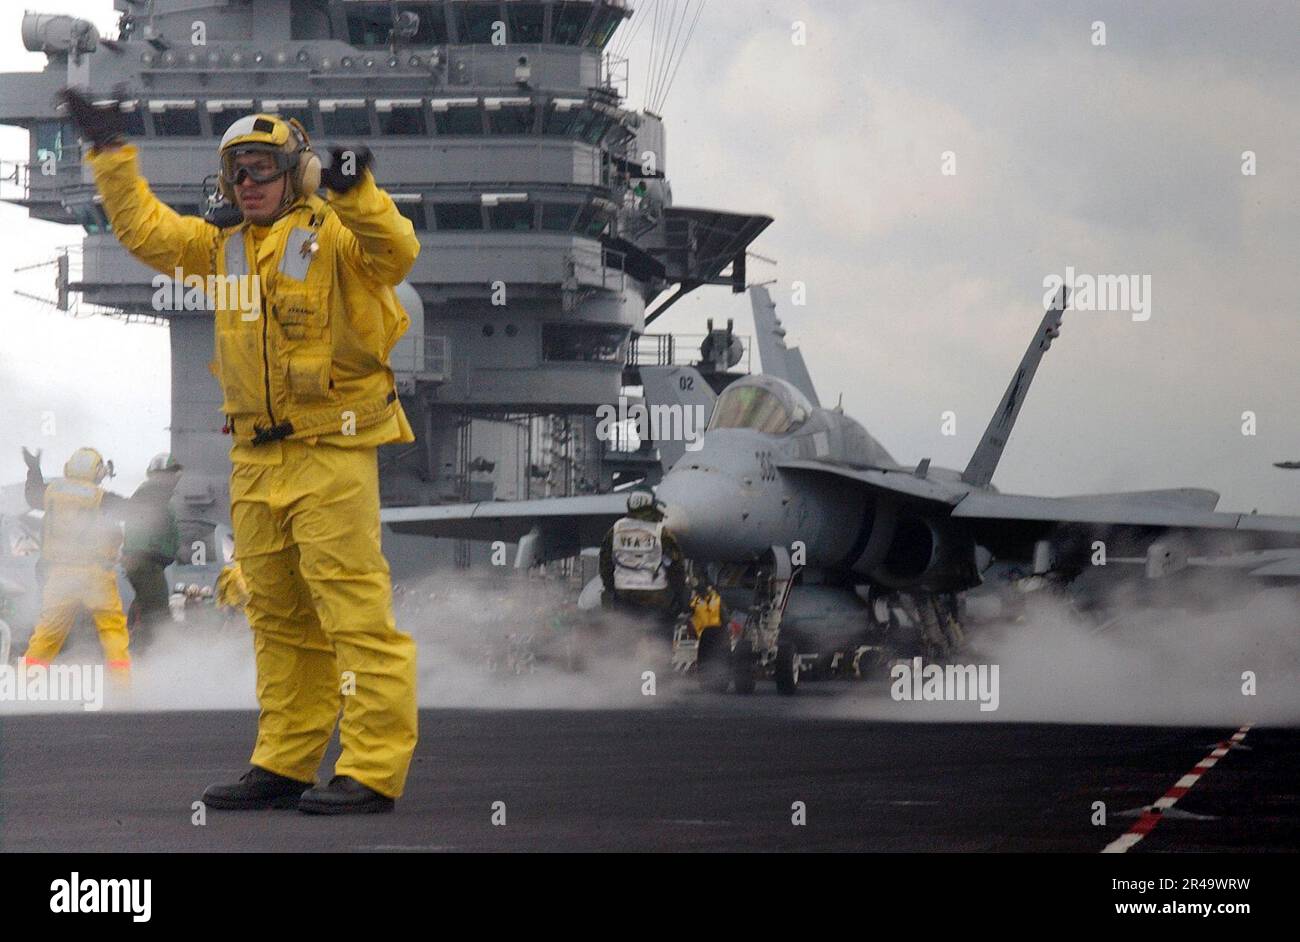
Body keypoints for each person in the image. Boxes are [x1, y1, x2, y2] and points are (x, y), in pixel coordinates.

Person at [62, 87, 420, 814]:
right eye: (238, 172)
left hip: (332, 452)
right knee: (277, 617)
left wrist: (357, 189)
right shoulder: (220, 247)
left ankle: (374, 769)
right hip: (255, 459)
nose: (248, 183)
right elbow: (143, 230)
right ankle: (284, 762)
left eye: (263, 168)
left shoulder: (336, 235)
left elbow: (395, 251)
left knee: (353, 617)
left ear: (299, 173)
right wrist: (110, 155)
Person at [21, 447, 131, 679]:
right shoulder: (99, 497)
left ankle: (25, 684)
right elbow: (132, 511)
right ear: (97, 472)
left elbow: (31, 495)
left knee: (47, 633)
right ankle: (122, 689)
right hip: (96, 575)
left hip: (60, 575)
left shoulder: (52, 493)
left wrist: (33, 468)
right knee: (112, 630)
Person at [599, 489, 689, 639]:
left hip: (624, 596)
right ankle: (661, 659)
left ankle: (621, 660)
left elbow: (605, 565)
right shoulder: (661, 532)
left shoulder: (616, 530)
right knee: (661, 637)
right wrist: (681, 597)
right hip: (656, 598)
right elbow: (676, 567)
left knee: (623, 638)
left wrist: (611, 590)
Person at [121, 453, 182, 652]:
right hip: (148, 561)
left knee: (143, 603)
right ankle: (151, 656)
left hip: (139, 561)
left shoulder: (144, 492)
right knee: (158, 614)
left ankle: (136, 649)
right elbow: (167, 528)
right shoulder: (158, 494)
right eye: (173, 474)